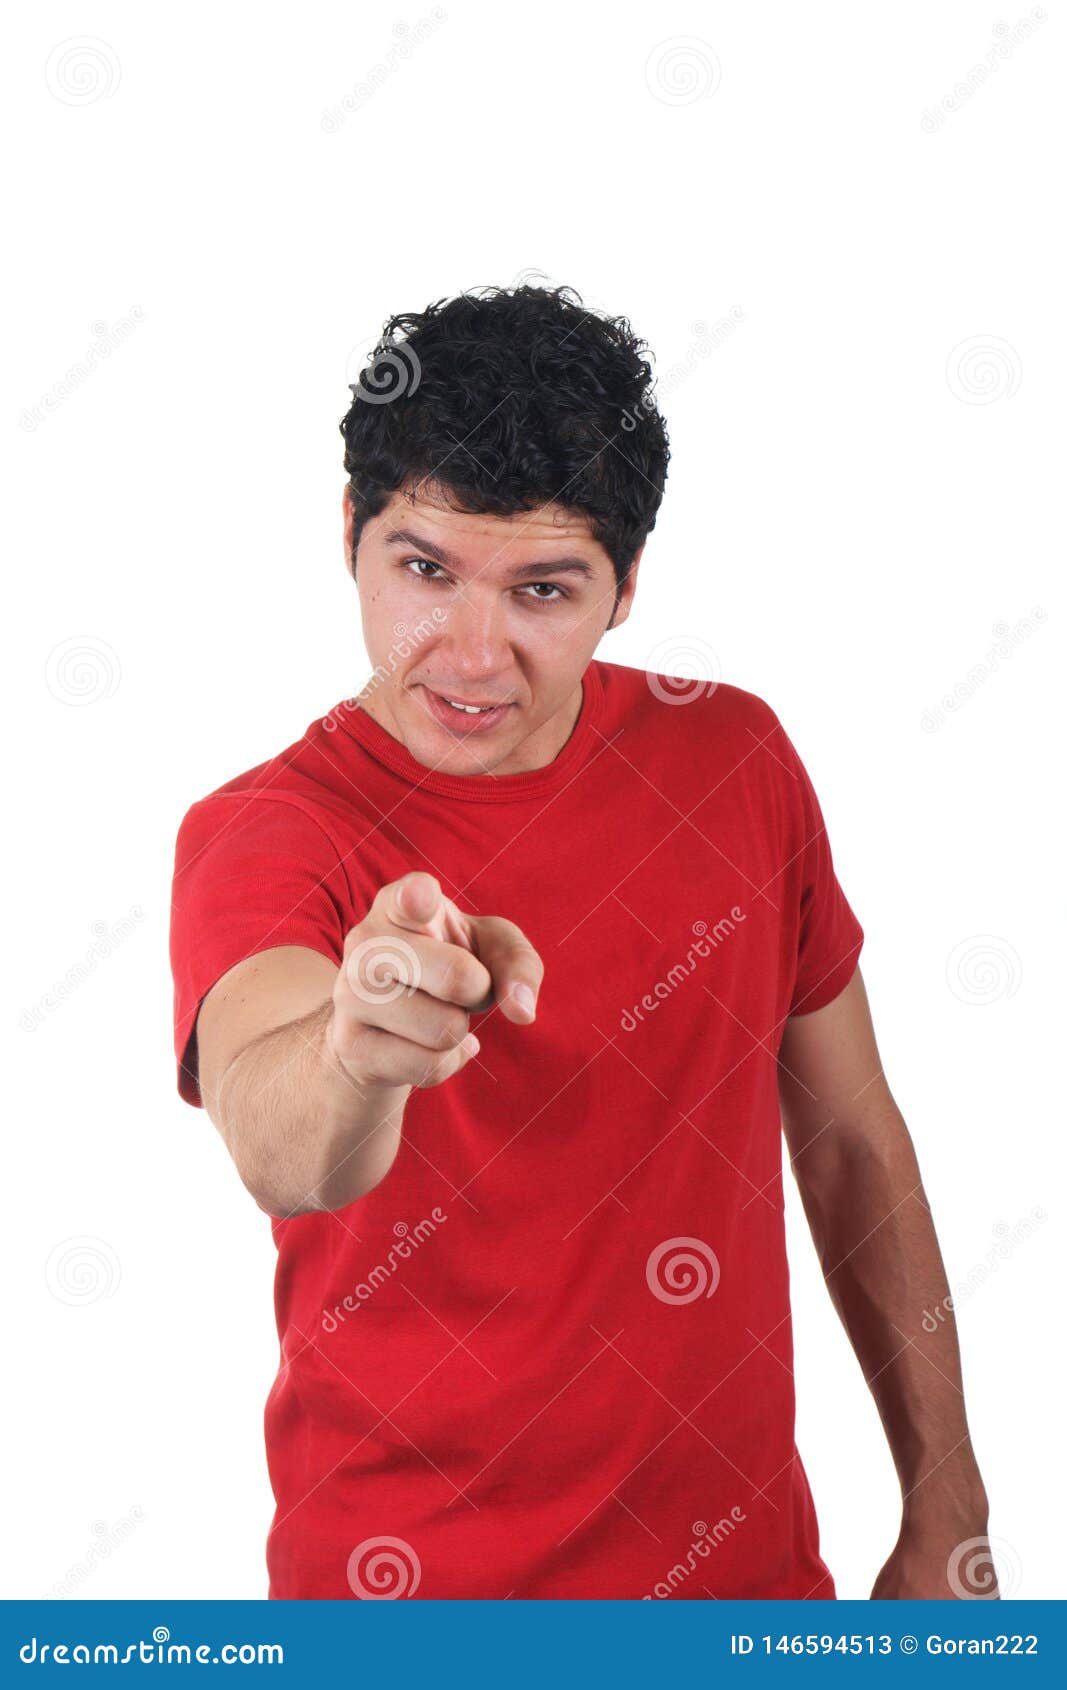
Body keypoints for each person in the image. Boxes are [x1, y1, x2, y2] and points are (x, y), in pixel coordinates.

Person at [168, 283, 993, 1601]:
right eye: (424, 569)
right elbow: (283, 1148)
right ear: (349, 537)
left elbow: (849, 1138)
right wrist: (359, 1047)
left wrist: (947, 1502)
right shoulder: (265, 832)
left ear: (625, 587)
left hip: (747, 1605)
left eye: (542, 588)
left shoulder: (736, 759)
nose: (472, 652)